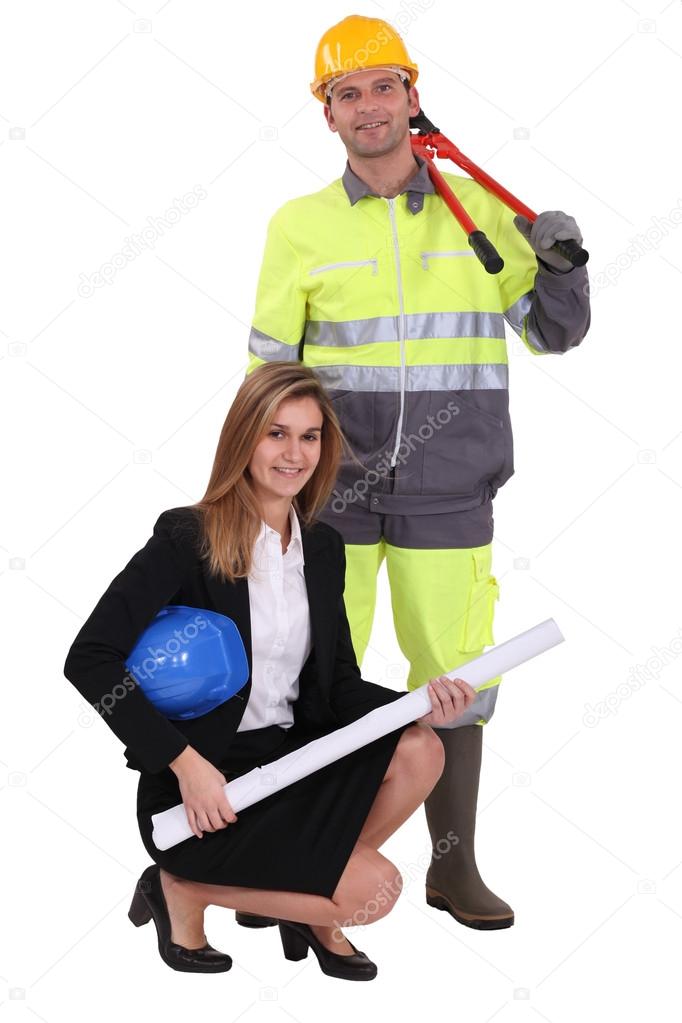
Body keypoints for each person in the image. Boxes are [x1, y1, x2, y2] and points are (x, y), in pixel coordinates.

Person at [244, 14, 591, 931]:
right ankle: (292, 859)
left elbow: (556, 333)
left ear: (411, 96)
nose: (368, 106)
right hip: (332, 497)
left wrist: (562, 266)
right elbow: (269, 370)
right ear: (328, 116)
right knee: (309, 675)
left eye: (382, 86)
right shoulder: (299, 227)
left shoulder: (477, 212)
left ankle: (452, 867)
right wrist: (267, 488)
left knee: (459, 679)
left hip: (453, 489)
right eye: (346, 93)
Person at [63, 361, 478, 980]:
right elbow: (89, 659)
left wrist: (420, 701)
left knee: (423, 747)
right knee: (378, 890)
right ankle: (182, 886)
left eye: (309, 436)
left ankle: (306, 902)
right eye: (276, 433)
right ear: (245, 439)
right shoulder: (188, 537)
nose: (295, 453)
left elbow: (336, 687)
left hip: (290, 765)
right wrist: (185, 763)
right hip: (205, 789)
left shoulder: (324, 548)